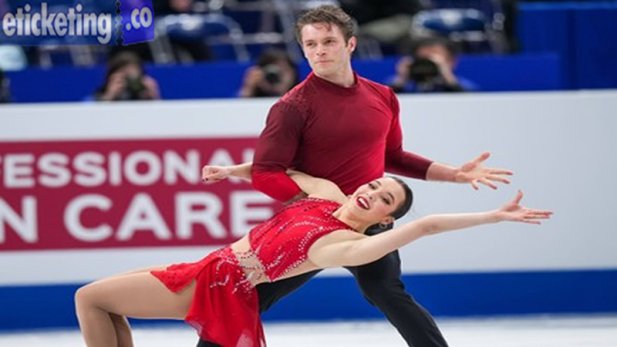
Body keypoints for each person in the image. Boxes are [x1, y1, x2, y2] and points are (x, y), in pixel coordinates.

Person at [200, 5, 510, 347]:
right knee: (252, 297)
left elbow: (392, 156)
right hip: (314, 224)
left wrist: (452, 174)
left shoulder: (383, 96)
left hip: (369, 217)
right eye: (311, 44)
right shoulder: (292, 107)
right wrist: (316, 204)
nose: (319, 51)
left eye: (329, 41)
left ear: (350, 44)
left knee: (387, 292)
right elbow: (265, 172)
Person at [75, 163, 552, 347]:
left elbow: (425, 225)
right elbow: (283, 169)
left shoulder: (346, 244)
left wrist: (495, 216)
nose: (371, 193)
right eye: (374, 184)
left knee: (90, 298)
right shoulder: (323, 194)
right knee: (107, 304)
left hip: (219, 287)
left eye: (384, 199)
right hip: (205, 266)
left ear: (385, 219)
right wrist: (231, 171)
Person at [388, 37, 479, 93]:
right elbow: (383, 102)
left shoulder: (463, 85)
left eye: (434, 58)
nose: (429, 63)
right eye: (423, 59)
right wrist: (401, 80)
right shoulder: (402, 84)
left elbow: (471, 103)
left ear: (451, 61)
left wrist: (448, 79)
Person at [91, 51, 161, 101]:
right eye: (124, 76)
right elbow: (91, 114)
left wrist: (154, 96)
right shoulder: (100, 93)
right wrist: (110, 95)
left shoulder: (144, 93)